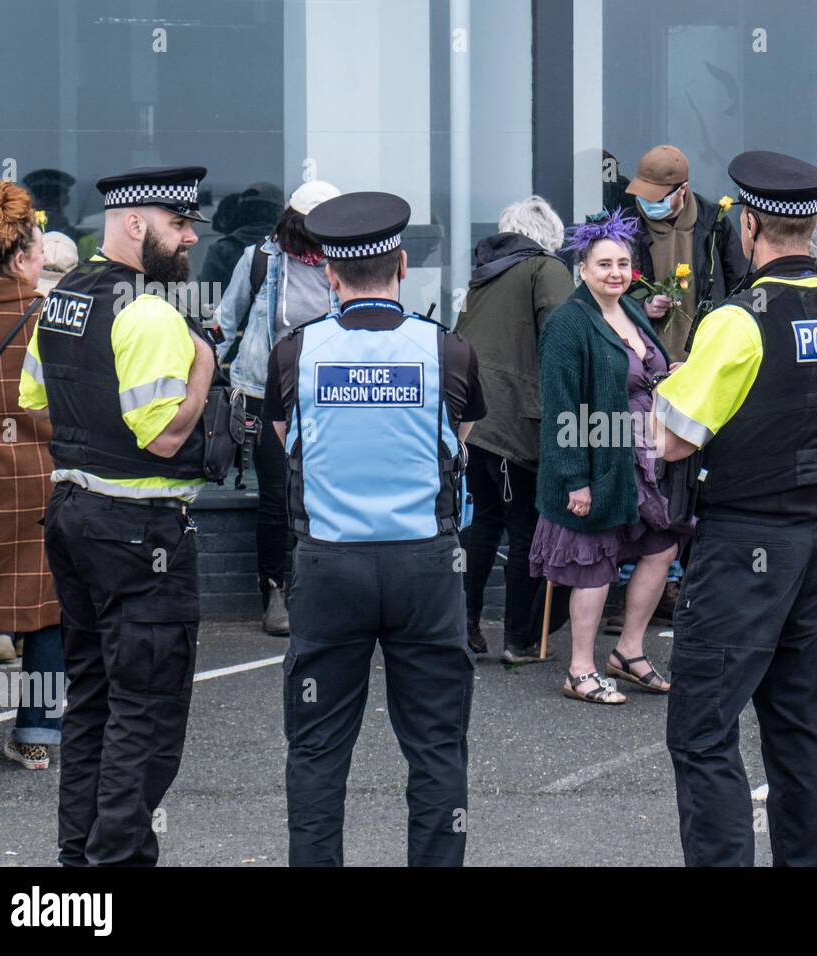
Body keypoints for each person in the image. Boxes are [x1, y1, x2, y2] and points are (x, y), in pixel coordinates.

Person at [653, 151, 817, 866]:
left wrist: (675, 384)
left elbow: (675, 441)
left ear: (750, 226)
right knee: (805, 731)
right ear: (810, 226)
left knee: (703, 730)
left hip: (743, 543)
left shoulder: (736, 318)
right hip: (816, 542)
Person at [264, 191, 485, 867]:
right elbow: (461, 439)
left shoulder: (293, 353)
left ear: (330, 274)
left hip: (330, 567)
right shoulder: (448, 351)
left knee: (319, 750)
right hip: (426, 566)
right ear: (399, 267)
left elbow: (287, 442)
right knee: (437, 745)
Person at [18, 165, 219, 866]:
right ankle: (117, 865)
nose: (190, 236)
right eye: (180, 224)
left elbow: (35, 407)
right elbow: (165, 437)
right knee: (148, 711)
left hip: (72, 515)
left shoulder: (64, 296)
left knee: (95, 701)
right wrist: (204, 366)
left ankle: (81, 864)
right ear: (137, 225)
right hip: (140, 530)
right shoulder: (153, 311)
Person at [529, 208, 683, 704]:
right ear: (582, 269)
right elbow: (560, 407)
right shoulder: (567, 324)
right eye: (604, 265)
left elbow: (644, 370)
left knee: (662, 547)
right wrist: (575, 479)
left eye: (622, 263)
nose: (615, 273)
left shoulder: (631, 309)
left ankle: (629, 653)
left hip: (643, 454)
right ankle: (579, 670)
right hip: (596, 457)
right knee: (595, 562)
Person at [0, 182, 64, 770]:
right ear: (22, 255)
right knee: (47, 607)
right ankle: (36, 737)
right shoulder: (51, 315)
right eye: (39, 251)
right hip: (41, 480)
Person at [213, 180, 341, 635]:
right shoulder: (262, 260)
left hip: (328, 397)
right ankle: (275, 590)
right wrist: (199, 377)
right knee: (275, 498)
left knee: (324, 494)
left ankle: (319, 590)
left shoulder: (344, 265)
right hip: (267, 395)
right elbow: (225, 323)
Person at [455, 195, 572, 661]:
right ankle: (521, 637)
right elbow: (562, 340)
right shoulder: (546, 270)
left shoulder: (486, 274)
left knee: (484, 522)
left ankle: (463, 623)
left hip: (476, 420)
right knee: (524, 528)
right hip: (516, 424)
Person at [623, 145, 746, 360]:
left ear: (683, 189)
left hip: (706, 358)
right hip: (645, 360)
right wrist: (642, 307)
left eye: (657, 198)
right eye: (643, 195)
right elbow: (605, 293)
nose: (648, 203)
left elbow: (741, 286)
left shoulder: (714, 223)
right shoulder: (626, 228)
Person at [198, 182, 285, 295]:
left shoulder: (222, 250)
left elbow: (206, 303)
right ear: (279, 213)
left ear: (242, 211)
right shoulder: (294, 249)